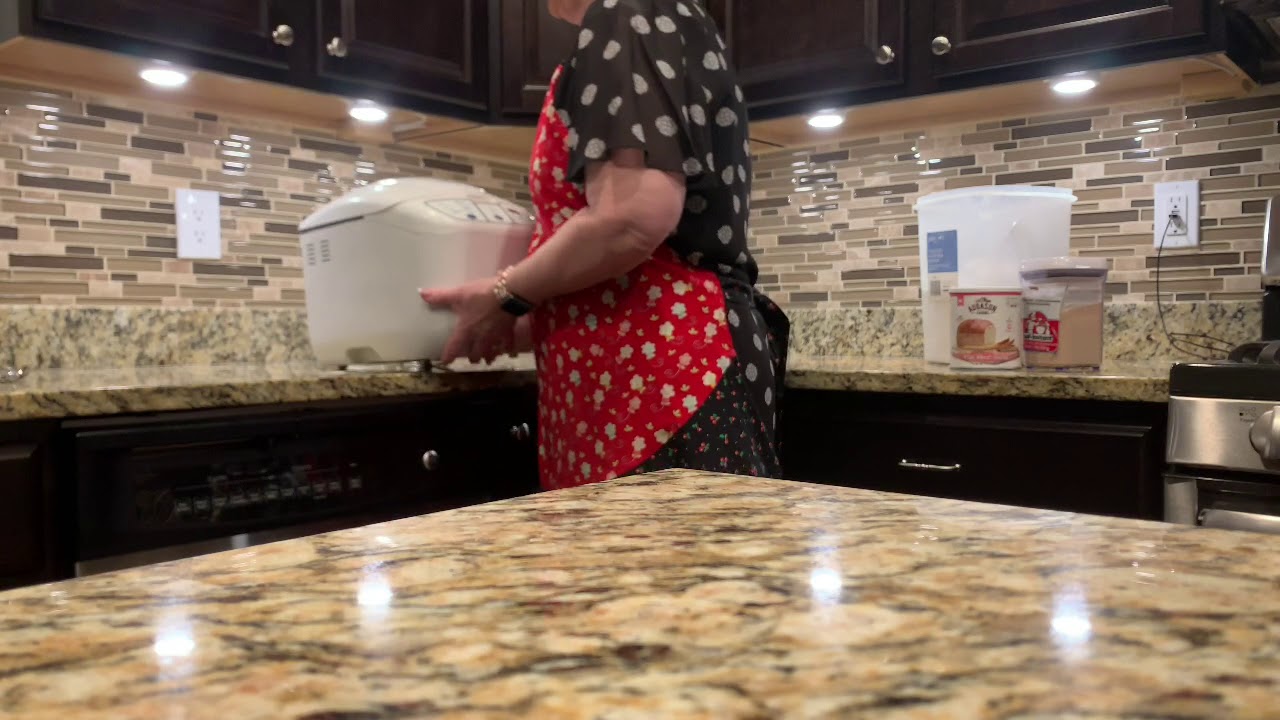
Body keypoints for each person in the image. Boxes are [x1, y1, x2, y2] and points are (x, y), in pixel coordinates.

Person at [421, 0, 788, 490]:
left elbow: (633, 218)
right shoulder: (645, 21)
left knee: (658, 566)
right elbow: (633, 262)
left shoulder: (625, 14)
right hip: (644, 379)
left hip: (660, 380)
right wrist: (517, 318)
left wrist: (506, 294)